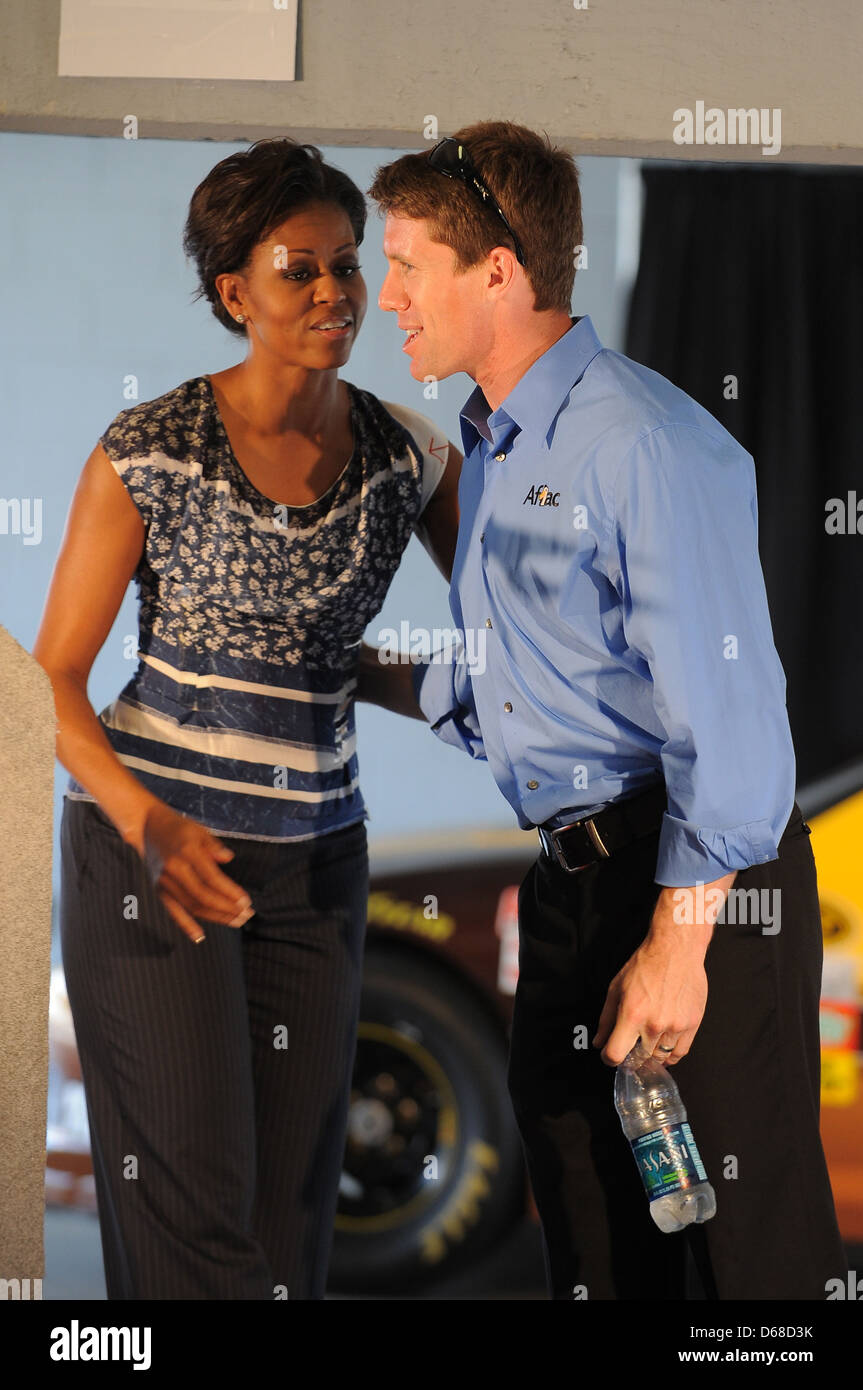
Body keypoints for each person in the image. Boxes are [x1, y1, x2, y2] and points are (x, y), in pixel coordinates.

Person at [357, 120, 848, 1300]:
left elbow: (726, 721)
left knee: (743, 1256)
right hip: (573, 881)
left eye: (407, 263)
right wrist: (353, 670)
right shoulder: (497, 443)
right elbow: (532, 695)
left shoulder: (641, 443)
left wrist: (680, 944)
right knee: (585, 1218)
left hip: (691, 882)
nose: (386, 298)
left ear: (498, 271)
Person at [33, 138, 462, 1300]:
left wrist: (442, 690)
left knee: (285, 1253)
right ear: (236, 293)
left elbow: (496, 630)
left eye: (346, 267)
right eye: (298, 271)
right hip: (152, 850)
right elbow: (49, 684)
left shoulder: (406, 456)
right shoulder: (150, 451)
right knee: (196, 1237)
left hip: (316, 864)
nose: (335, 295)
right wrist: (144, 823)